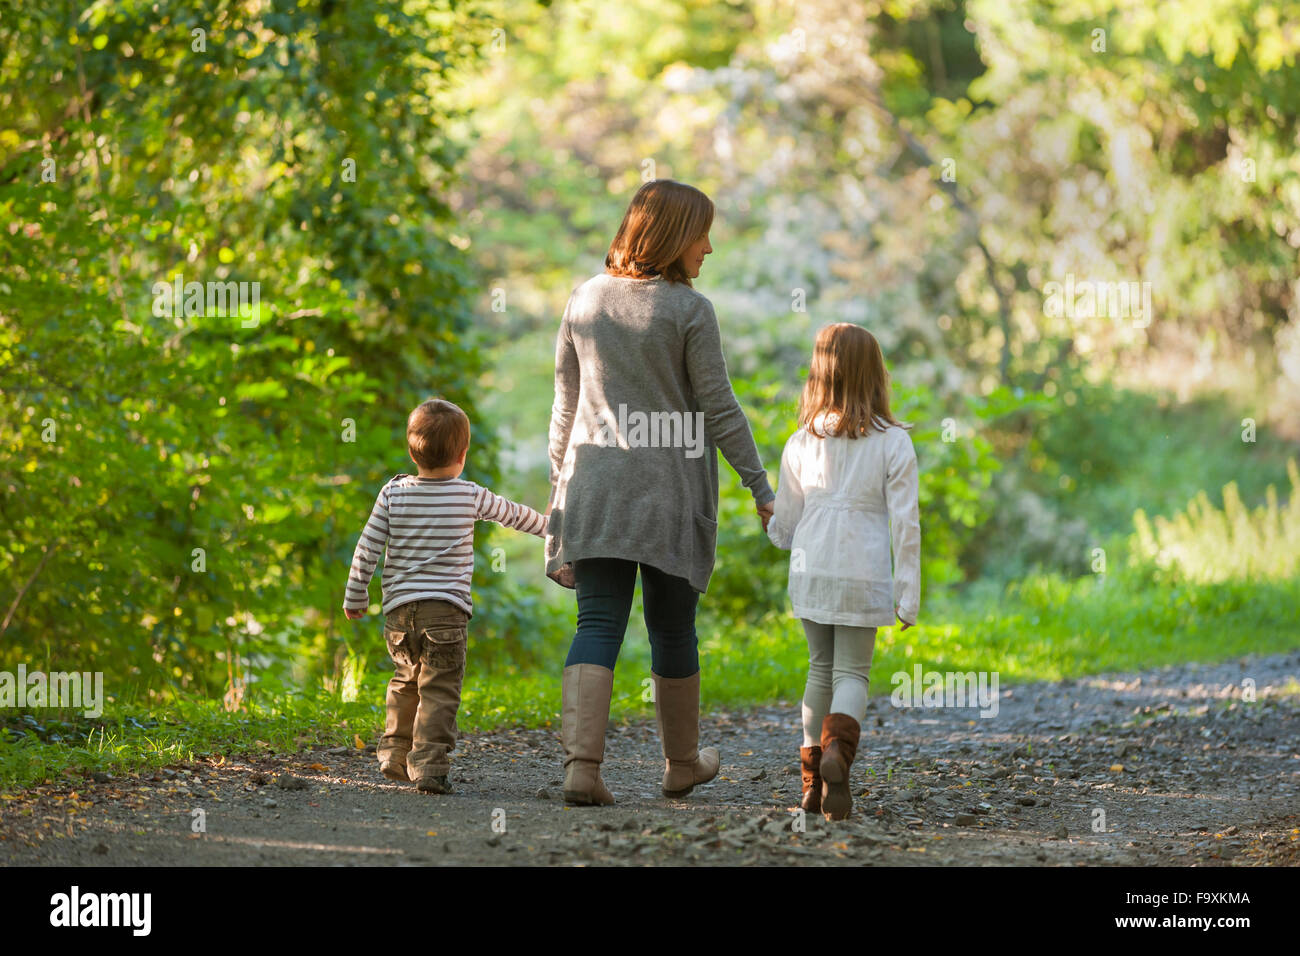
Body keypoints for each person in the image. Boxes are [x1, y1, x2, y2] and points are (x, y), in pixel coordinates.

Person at [545, 179, 775, 805]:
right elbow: (720, 407)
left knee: (596, 622)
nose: (709, 247)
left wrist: (558, 489)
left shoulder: (584, 299)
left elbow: (565, 410)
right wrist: (760, 484)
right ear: (674, 235)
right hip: (670, 494)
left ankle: (581, 770)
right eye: (702, 232)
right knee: (673, 629)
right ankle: (680, 765)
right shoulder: (688, 310)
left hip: (594, 487)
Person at [343, 398, 547, 794]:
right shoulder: (469, 494)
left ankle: (394, 752)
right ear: (462, 454)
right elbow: (515, 515)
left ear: (412, 451)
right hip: (446, 614)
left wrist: (356, 596)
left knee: (406, 681)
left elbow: (367, 547)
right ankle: (429, 766)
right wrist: (553, 527)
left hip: (399, 614)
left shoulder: (392, 494)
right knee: (439, 688)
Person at [766, 323, 921, 820]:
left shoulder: (800, 442)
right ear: (876, 376)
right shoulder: (894, 443)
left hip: (812, 570)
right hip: (862, 572)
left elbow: (785, 527)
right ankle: (837, 756)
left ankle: (812, 785)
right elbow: (906, 524)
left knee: (819, 669)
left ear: (819, 377)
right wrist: (908, 594)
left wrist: (771, 524)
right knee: (853, 671)